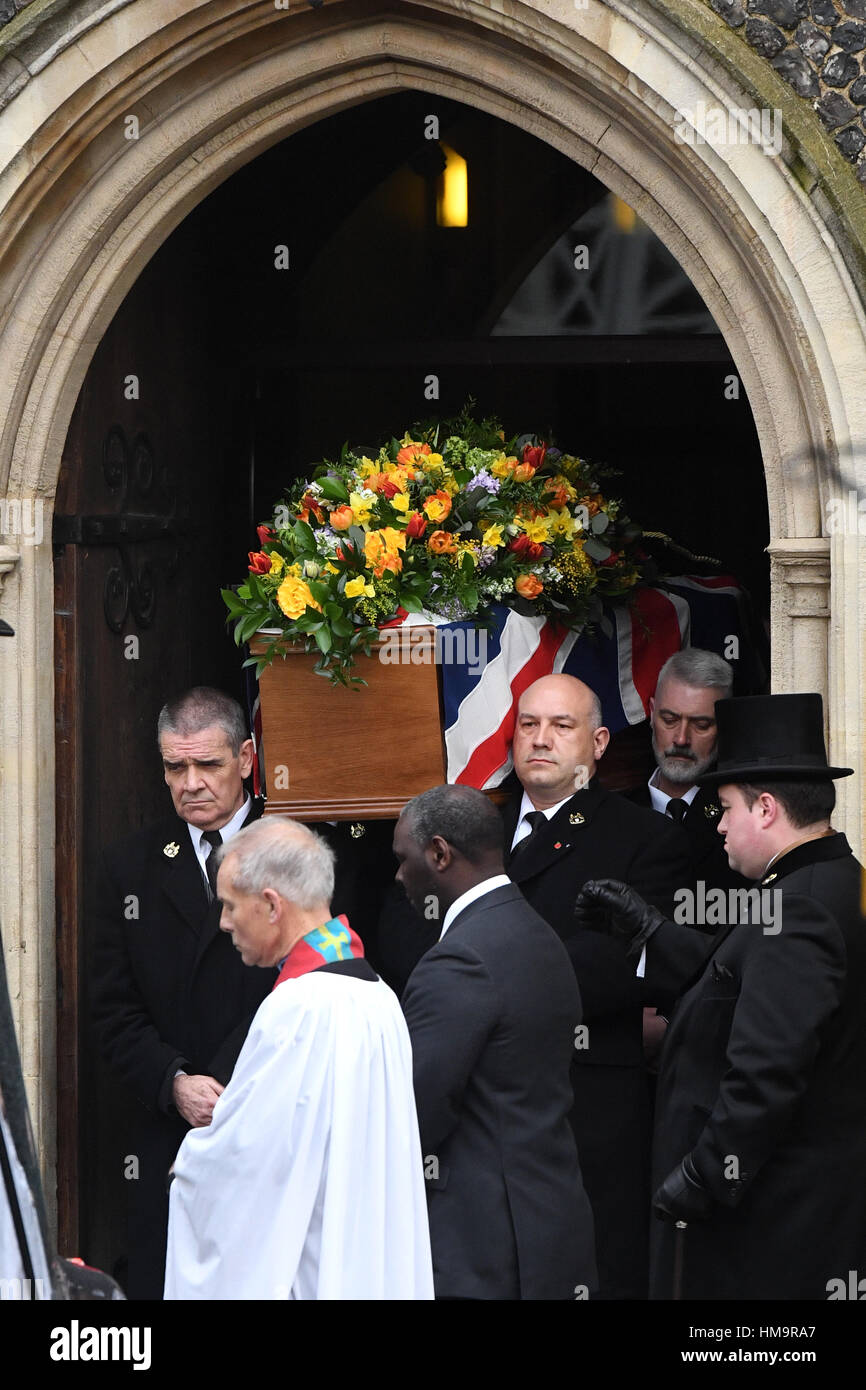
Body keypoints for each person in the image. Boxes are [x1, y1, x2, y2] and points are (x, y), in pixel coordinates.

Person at [576, 692, 866, 1300]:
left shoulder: (799, 907)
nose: (720, 825)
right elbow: (738, 985)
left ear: (765, 809)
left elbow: (766, 1069)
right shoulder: (826, 881)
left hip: (774, 1228)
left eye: (726, 808)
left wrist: (706, 1174)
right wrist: (653, 933)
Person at [164, 817, 433, 1300]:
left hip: (314, 1267)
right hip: (364, 1260)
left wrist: (191, 1162)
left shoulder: (298, 1008)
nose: (223, 922)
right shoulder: (380, 996)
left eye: (229, 905)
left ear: (271, 905)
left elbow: (250, 1163)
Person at [502, 673, 692, 1299]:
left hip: (588, 1100)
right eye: (529, 724)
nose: (541, 739)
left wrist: (494, 990)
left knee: (593, 1269)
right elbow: (417, 937)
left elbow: (631, 963)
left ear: (600, 741)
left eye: (562, 726)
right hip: (485, 1099)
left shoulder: (643, 836)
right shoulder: (475, 822)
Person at [91, 687, 274, 1299]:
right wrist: (174, 1081)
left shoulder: (298, 852)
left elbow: (315, 983)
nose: (191, 783)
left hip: (270, 1123)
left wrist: (232, 1086)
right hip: (170, 1133)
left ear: (246, 759)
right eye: (176, 767)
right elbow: (112, 1007)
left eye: (208, 765)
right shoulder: (130, 868)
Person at [396, 785, 596, 1301]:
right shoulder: (538, 933)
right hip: (550, 1226)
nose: (398, 876)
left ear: (439, 853)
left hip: (482, 1250)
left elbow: (414, 1113)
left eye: (403, 858)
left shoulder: (459, 959)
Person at [628, 648, 748, 899]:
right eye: (669, 719)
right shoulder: (614, 813)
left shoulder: (746, 820)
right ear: (651, 713)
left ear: (725, 725)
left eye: (701, 725)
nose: (681, 739)